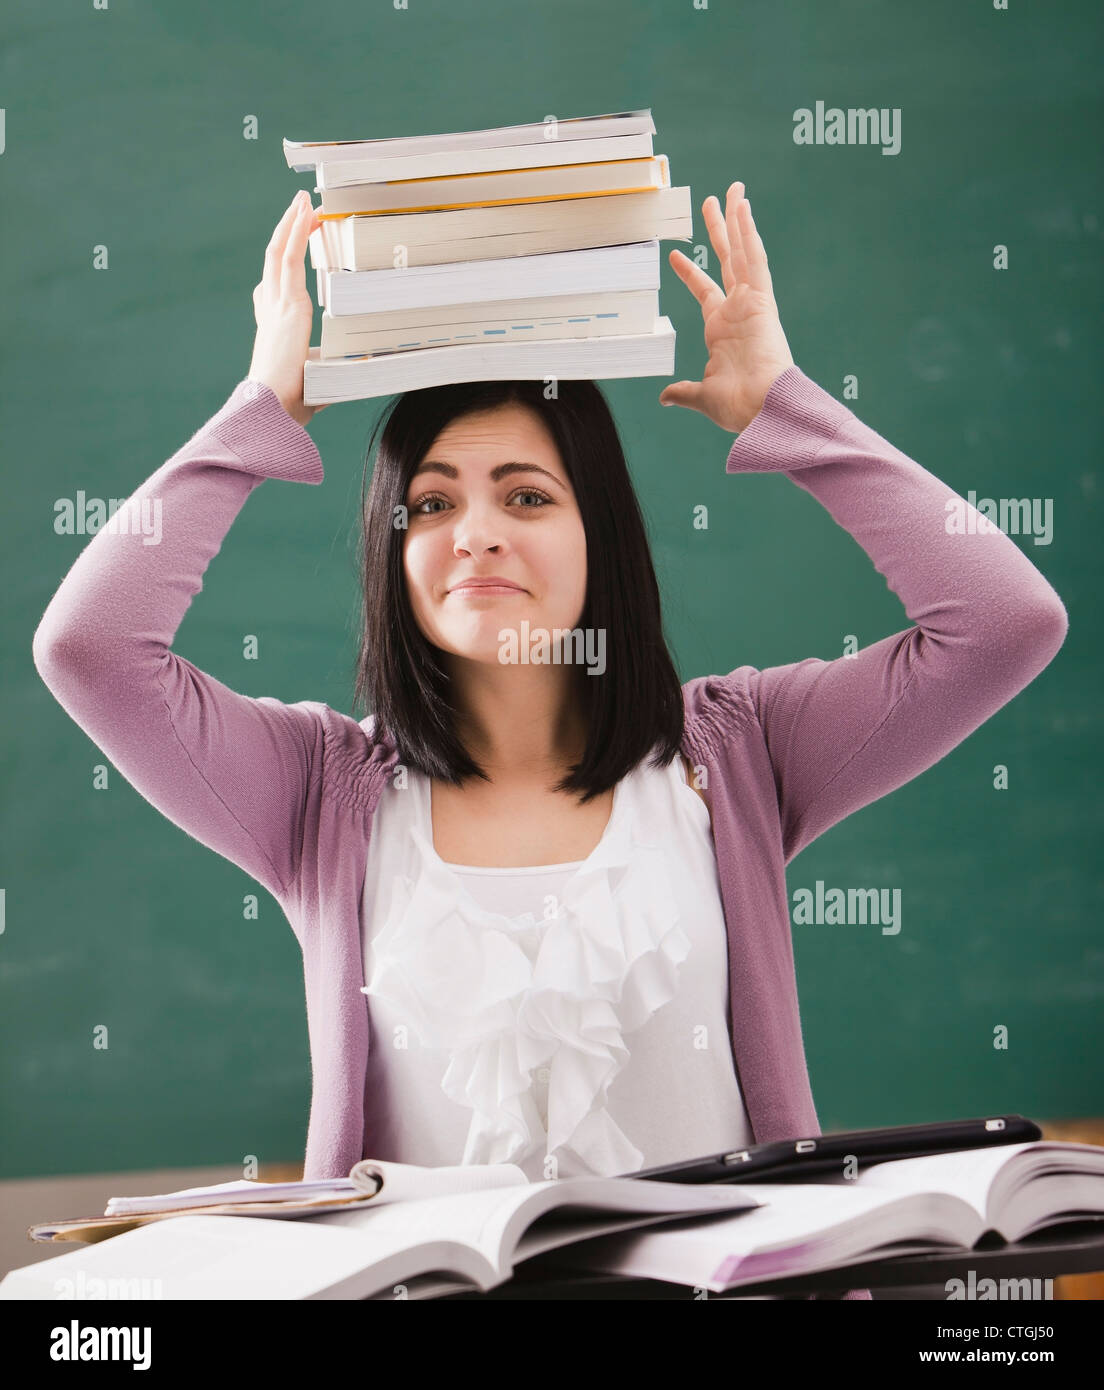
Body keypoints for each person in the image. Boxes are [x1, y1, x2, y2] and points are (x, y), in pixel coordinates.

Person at [32, 185, 1067, 1301]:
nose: (473, 529)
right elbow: (91, 647)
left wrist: (783, 403)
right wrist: (264, 406)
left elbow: (1004, 621)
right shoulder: (317, 793)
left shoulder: (741, 751)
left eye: (526, 495)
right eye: (428, 506)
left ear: (599, 533)